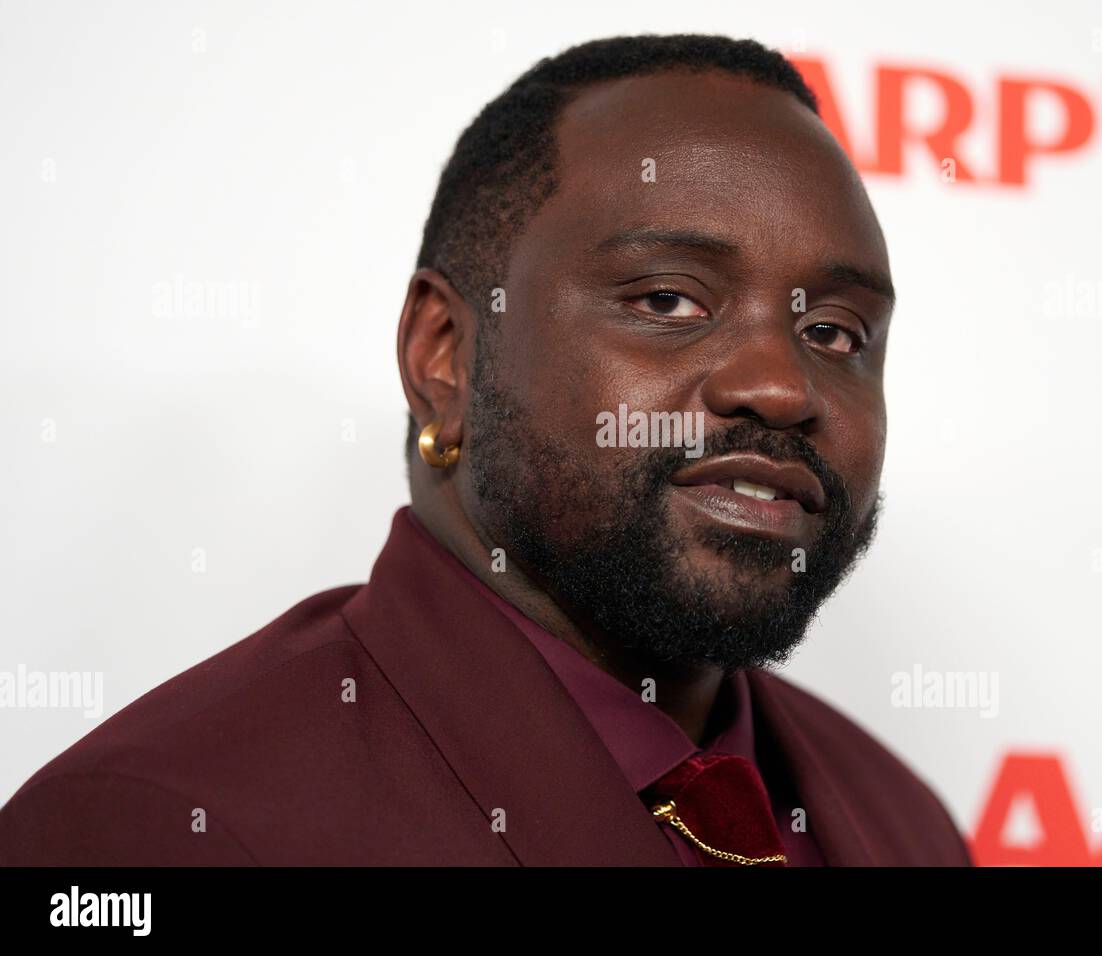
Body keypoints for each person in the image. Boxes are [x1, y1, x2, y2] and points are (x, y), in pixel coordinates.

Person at [0, 33, 970, 866]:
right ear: (445, 357)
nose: (780, 386)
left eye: (836, 333)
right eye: (668, 300)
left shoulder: (905, 822)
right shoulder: (156, 825)